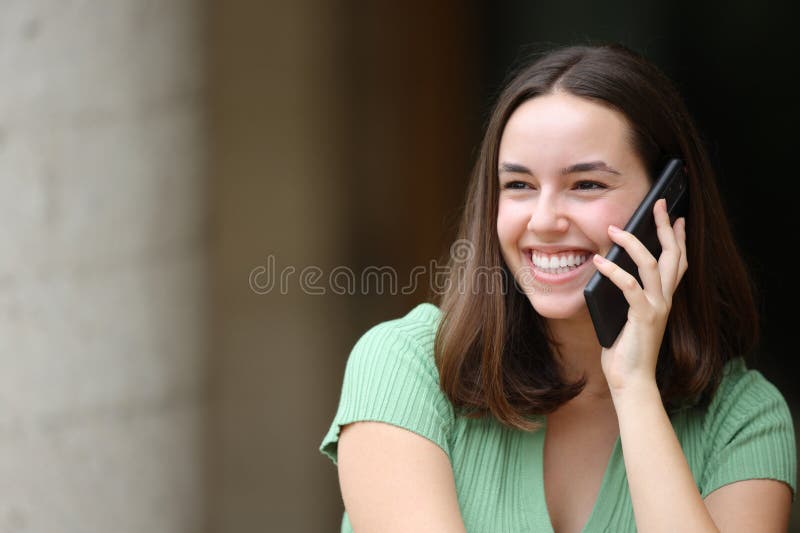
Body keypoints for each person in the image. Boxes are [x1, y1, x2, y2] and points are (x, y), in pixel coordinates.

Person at [319, 42, 797, 532]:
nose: (544, 221)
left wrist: (634, 385)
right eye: (519, 186)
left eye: (586, 184)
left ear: (666, 205)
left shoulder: (744, 420)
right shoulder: (405, 367)